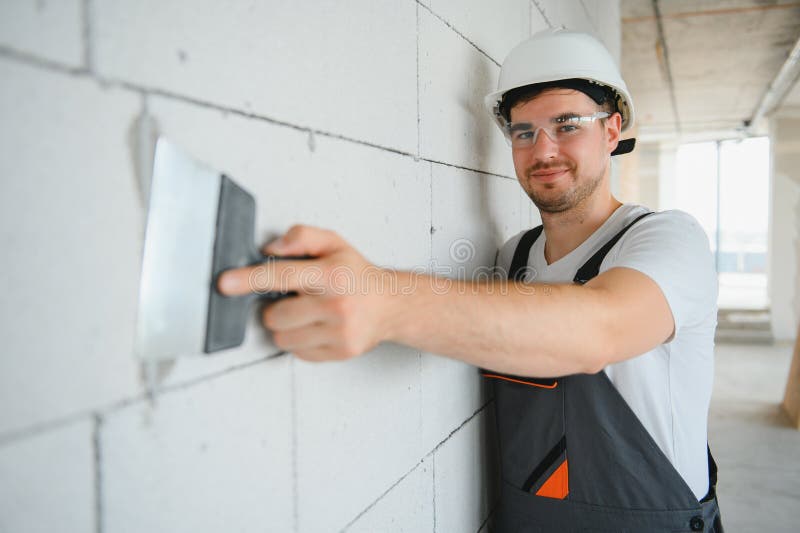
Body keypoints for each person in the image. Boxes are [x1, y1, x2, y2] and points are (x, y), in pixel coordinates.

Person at [218, 29, 723, 532]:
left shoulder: (668, 239)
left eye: (567, 125)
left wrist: (386, 303)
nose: (543, 150)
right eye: (524, 132)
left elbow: (598, 332)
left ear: (612, 131)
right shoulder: (512, 258)